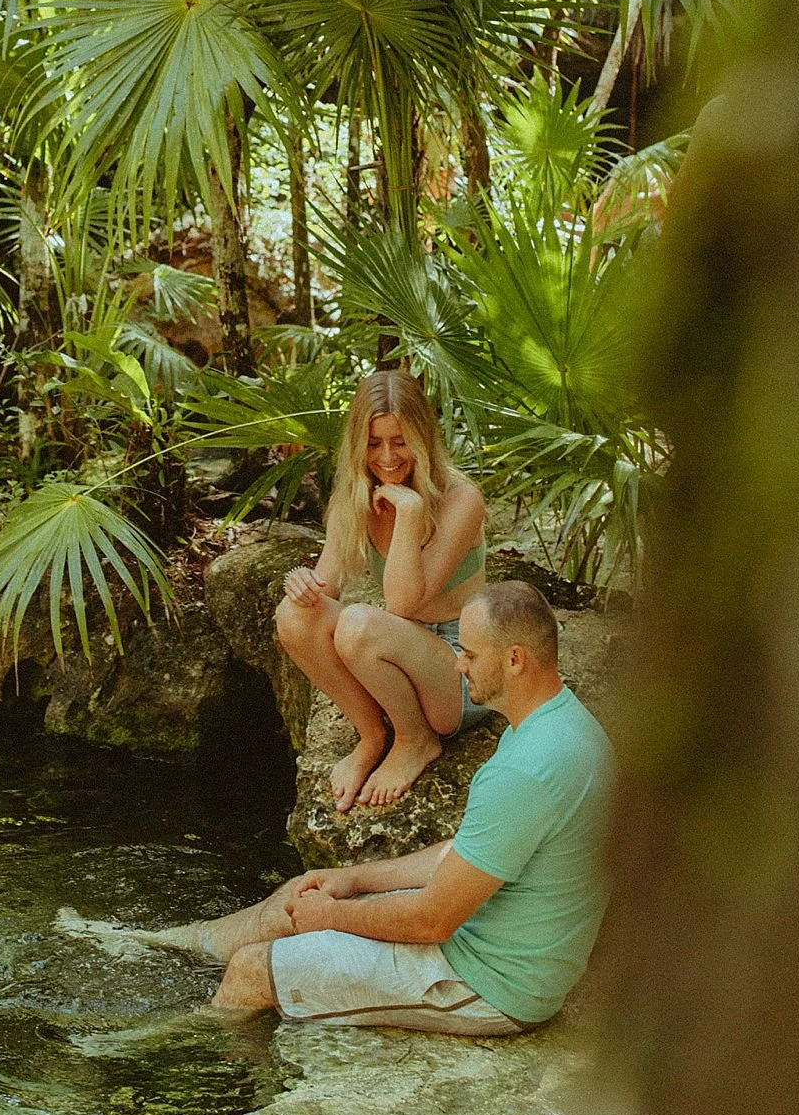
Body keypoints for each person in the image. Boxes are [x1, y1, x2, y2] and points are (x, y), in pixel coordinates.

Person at [121, 584, 614, 1035]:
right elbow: (467, 853)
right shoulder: (555, 725)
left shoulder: (529, 769)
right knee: (305, 888)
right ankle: (167, 942)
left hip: (486, 984)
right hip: (479, 941)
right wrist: (355, 880)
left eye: (467, 653)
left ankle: (153, 1042)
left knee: (252, 970)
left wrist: (332, 918)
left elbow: (431, 922)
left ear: (513, 660)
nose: (458, 667)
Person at [275, 369, 489, 812]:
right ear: (358, 443)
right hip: (404, 650)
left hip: (461, 666)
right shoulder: (354, 496)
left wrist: (409, 514)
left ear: (423, 438)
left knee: (358, 624)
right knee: (293, 615)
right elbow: (325, 587)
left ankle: (415, 740)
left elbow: (403, 604)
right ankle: (373, 736)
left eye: (400, 440)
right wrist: (300, 583)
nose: (387, 457)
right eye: (374, 443)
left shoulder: (461, 500)